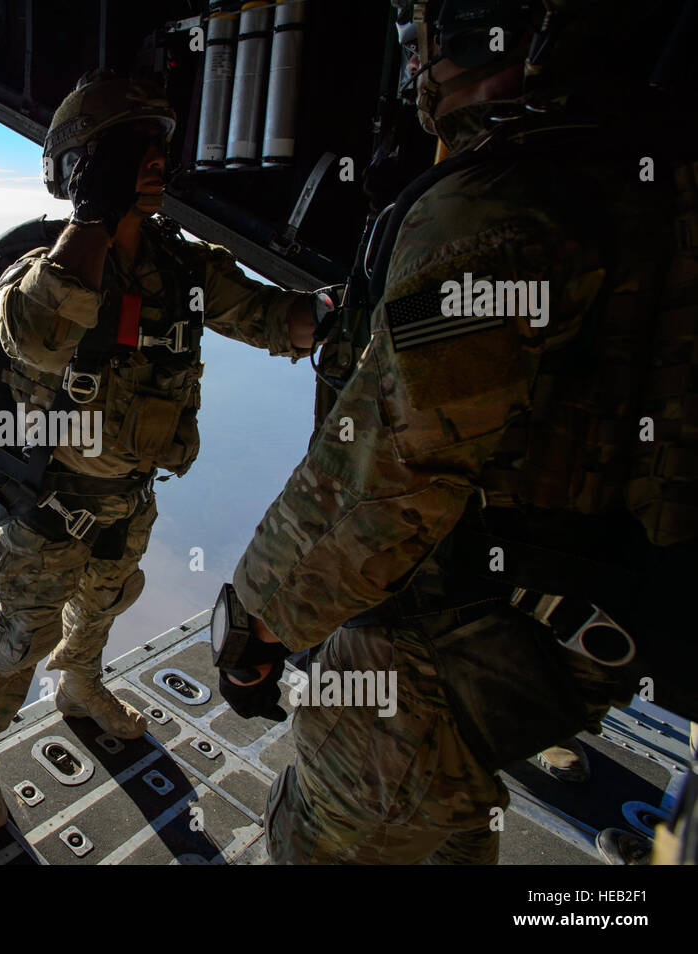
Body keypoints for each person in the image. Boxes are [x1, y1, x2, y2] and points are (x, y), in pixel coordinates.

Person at [216, 0, 697, 863]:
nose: (415, 69)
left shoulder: (494, 208)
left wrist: (255, 616)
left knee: (318, 836)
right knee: (446, 817)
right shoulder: (656, 170)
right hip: (592, 617)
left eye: (424, 42)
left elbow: (392, 468)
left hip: (473, 623)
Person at [0, 69, 331, 830]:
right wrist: (94, 213)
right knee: (20, 637)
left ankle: (80, 685)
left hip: (130, 500)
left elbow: (273, 317)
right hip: (50, 512)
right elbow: (38, 334)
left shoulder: (183, 267)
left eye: (159, 143)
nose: (157, 158)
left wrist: (357, 312)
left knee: (103, 605)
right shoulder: (43, 266)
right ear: (87, 165)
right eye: (133, 147)